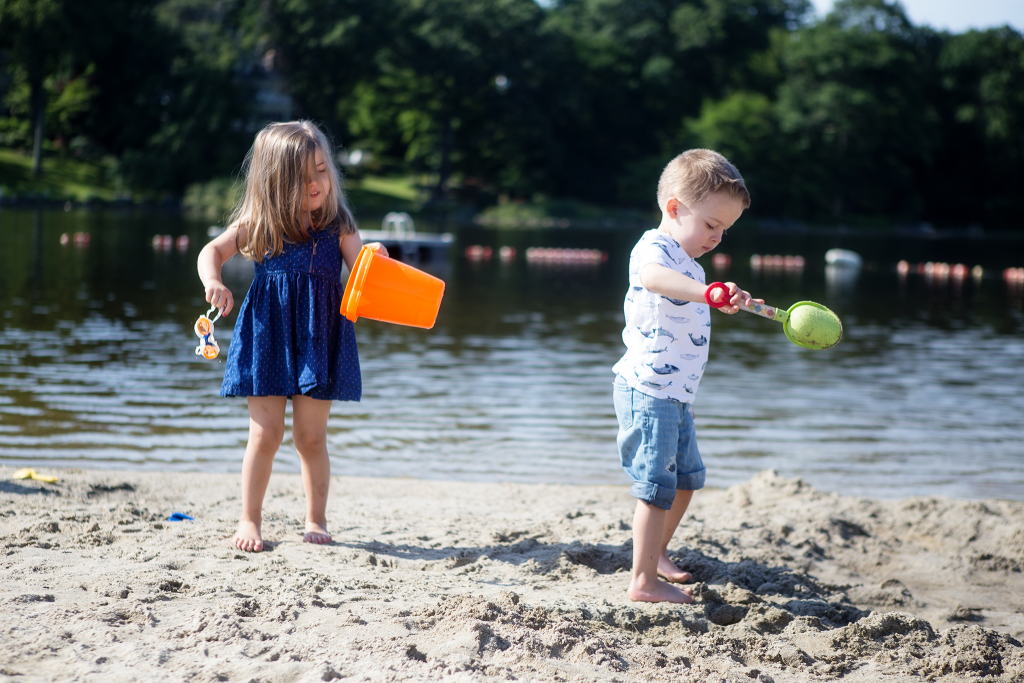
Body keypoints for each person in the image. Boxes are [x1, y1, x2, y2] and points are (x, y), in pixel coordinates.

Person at [197, 120, 386, 553]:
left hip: (319, 337)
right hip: (268, 334)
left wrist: (375, 256)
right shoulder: (261, 222)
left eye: (321, 170)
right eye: (303, 177)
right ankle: (249, 518)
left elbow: (364, 270)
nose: (316, 183)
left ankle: (316, 518)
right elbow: (212, 251)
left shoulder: (338, 223)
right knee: (265, 435)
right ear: (275, 182)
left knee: (310, 437)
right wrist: (214, 281)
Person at [612, 149, 757, 603]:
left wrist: (723, 295)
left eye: (725, 230)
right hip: (648, 391)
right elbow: (655, 279)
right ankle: (642, 581)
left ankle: (655, 553)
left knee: (687, 481)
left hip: (676, 395)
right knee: (656, 488)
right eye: (711, 225)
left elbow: (690, 305)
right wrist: (706, 292)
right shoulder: (654, 249)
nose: (717, 237)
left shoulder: (690, 263)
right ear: (674, 208)